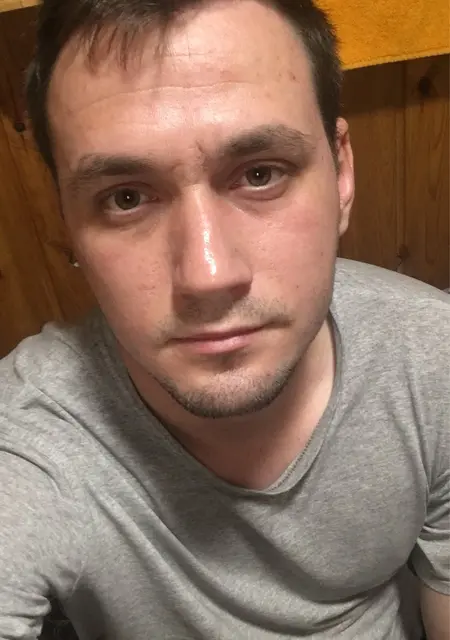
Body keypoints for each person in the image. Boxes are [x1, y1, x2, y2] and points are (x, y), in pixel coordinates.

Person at [0, 0, 448, 637]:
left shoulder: (434, 362)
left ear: (342, 172)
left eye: (260, 174)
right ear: (67, 221)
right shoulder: (31, 441)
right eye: (126, 197)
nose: (207, 275)